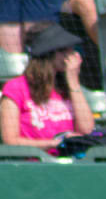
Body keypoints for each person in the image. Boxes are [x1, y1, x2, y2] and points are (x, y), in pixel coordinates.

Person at [0, 25, 95, 154]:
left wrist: (73, 83)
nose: (71, 55)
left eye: (71, 49)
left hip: (70, 163)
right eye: (63, 50)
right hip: (33, 163)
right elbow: (10, 140)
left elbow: (86, 130)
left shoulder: (69, 88)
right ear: (47, 54)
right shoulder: (16, 87)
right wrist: (54, 144)